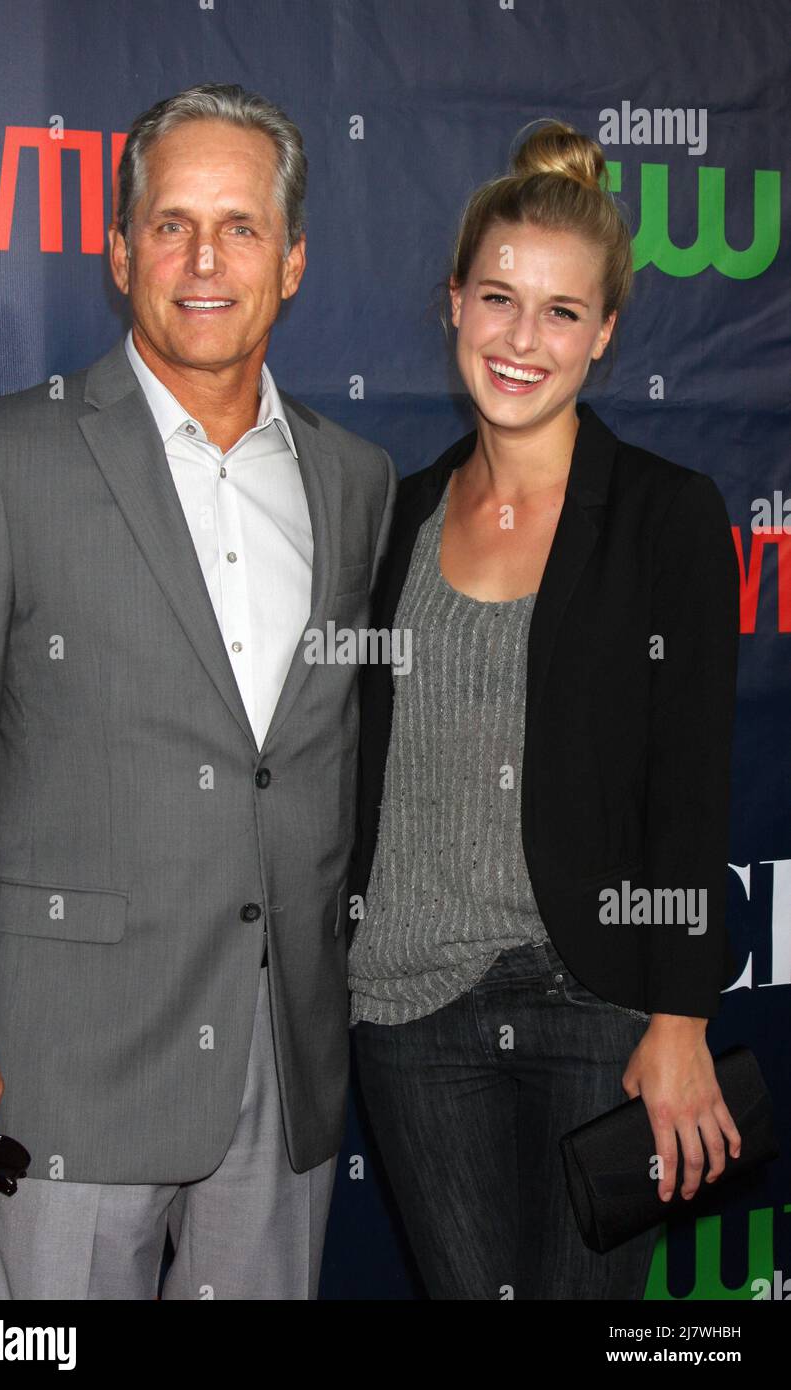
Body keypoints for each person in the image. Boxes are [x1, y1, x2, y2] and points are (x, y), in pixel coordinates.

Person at [0, 83, 397, 1300]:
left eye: (239, 227)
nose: (203, 258)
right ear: (119, 249)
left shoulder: (357, 482)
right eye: (172, 223)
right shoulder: (0, 453)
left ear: (290, 263)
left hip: (278, 1059)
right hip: (59, 1057)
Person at [347, 118, 742, 1300]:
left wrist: (678, 1019)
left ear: (604, 334)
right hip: (409, 1011)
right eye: (497, 299)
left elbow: (689, 787)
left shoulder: (664, 514)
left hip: (599, 1005)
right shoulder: (393, 516)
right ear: (451, 305)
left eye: (560, 312)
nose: (522, 339)